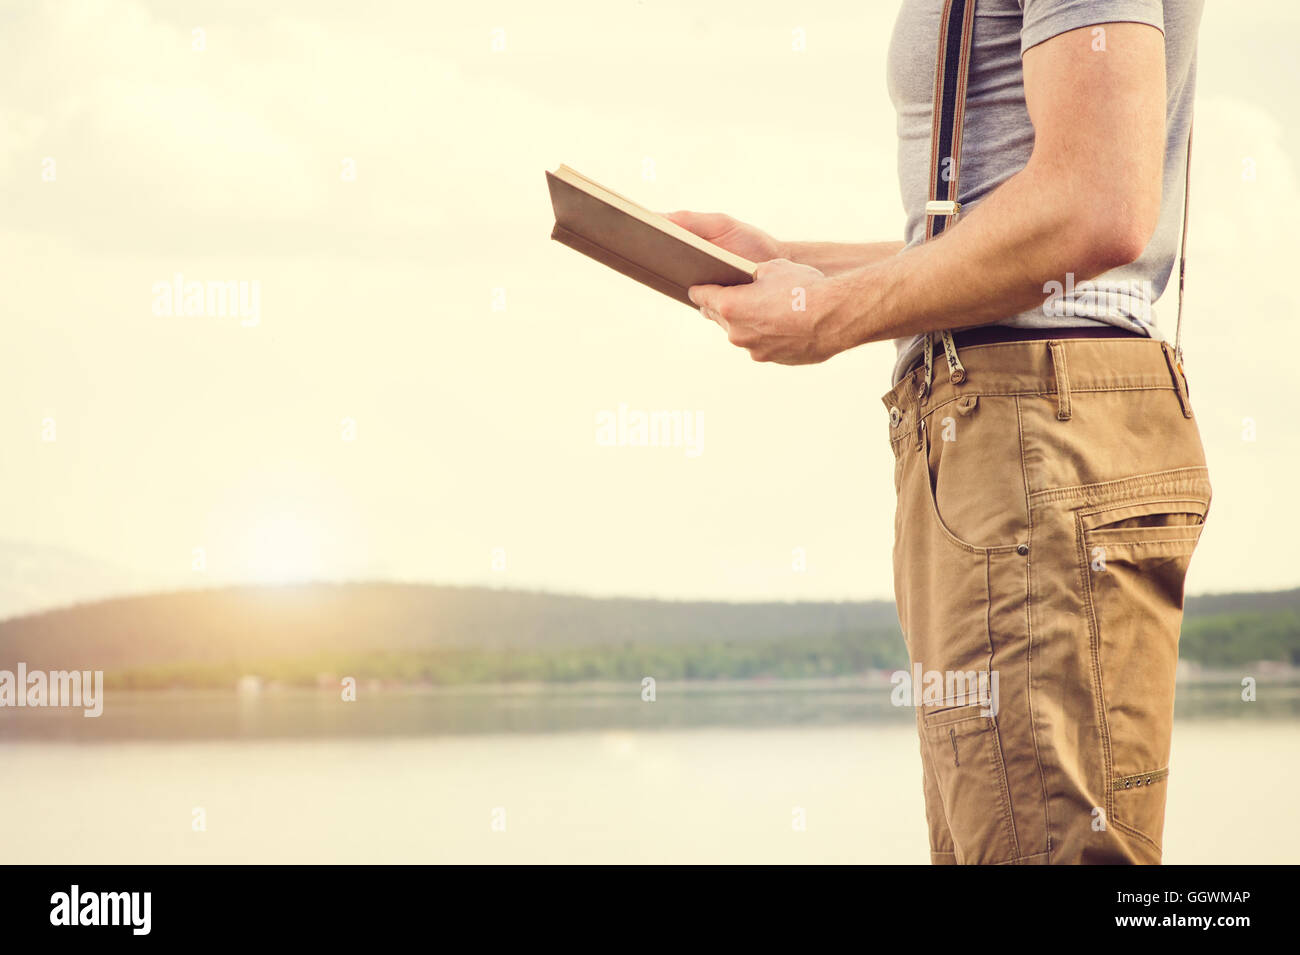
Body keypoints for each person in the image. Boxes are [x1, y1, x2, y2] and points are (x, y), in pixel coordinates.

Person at [669, 0, 1209, 864]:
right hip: (1002, 434)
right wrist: (788, 263)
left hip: (1031, 431)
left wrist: (833, 314)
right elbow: (993, 238)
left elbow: (1097, 205)